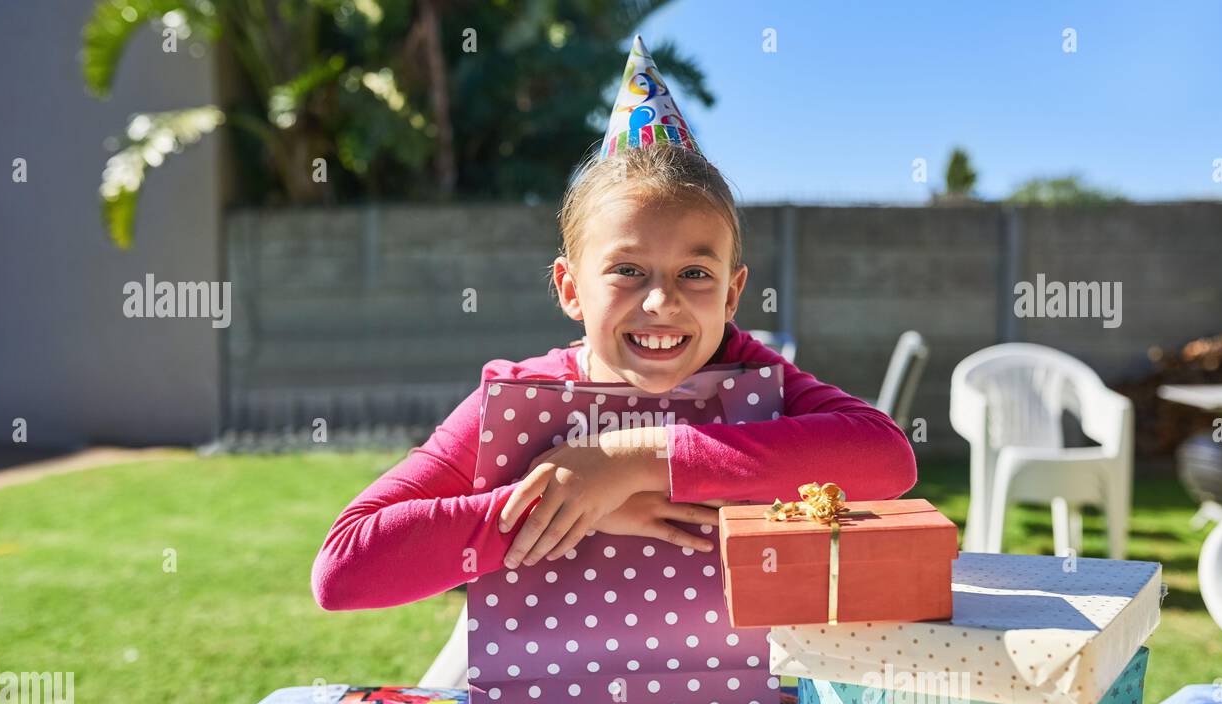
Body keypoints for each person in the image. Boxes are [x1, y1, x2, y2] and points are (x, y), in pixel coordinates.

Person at [312, 36, 916, 612]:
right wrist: (571, 505)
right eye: (628, 269)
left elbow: (887, 460)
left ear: (733, 293)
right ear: (571, 288)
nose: (662, 303)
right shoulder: (520, 399)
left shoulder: (751, 372)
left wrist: (631, 461)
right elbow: (343, 569)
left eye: (696, 274)